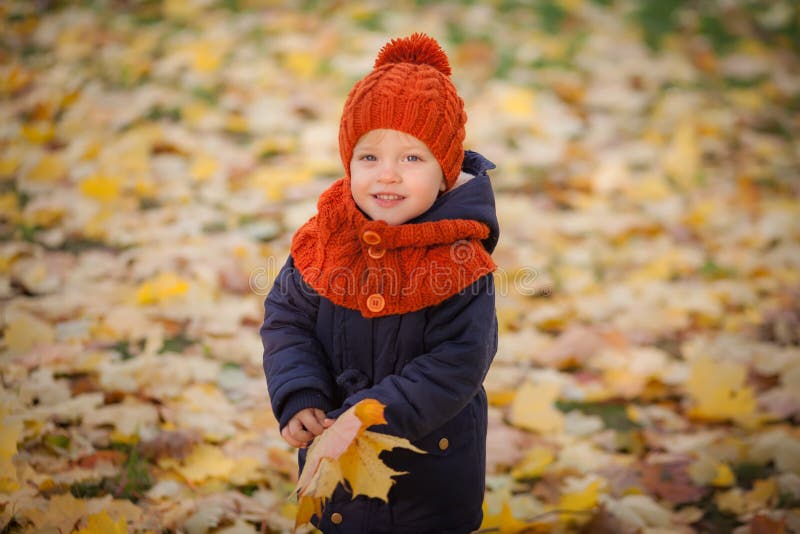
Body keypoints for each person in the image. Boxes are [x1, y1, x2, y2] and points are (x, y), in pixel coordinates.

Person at [261, 33, 499, 534]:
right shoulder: (324, 238)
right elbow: (288, 322)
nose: (387, 175)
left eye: (411, 158)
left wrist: (369, 417)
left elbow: (457, 361)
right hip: (333, 464)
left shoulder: (459, 258)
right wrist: (300, 393)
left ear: (445, 173)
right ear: (348, 163)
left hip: (428, 482)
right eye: (369, 157)